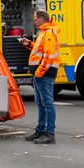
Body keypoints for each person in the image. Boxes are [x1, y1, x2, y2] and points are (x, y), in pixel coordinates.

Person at [19, 9, 60, 144]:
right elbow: (41, 51)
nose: (34, 21)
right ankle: (41, 130)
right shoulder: (44, 32)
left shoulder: (49, 33)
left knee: (47, 103)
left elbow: (48, 56)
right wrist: (29, 44)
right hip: (40, 73)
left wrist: (39, 73)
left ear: (42, 18)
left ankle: (49, 134)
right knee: (41, 103)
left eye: (35, 19)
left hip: (44, 73)